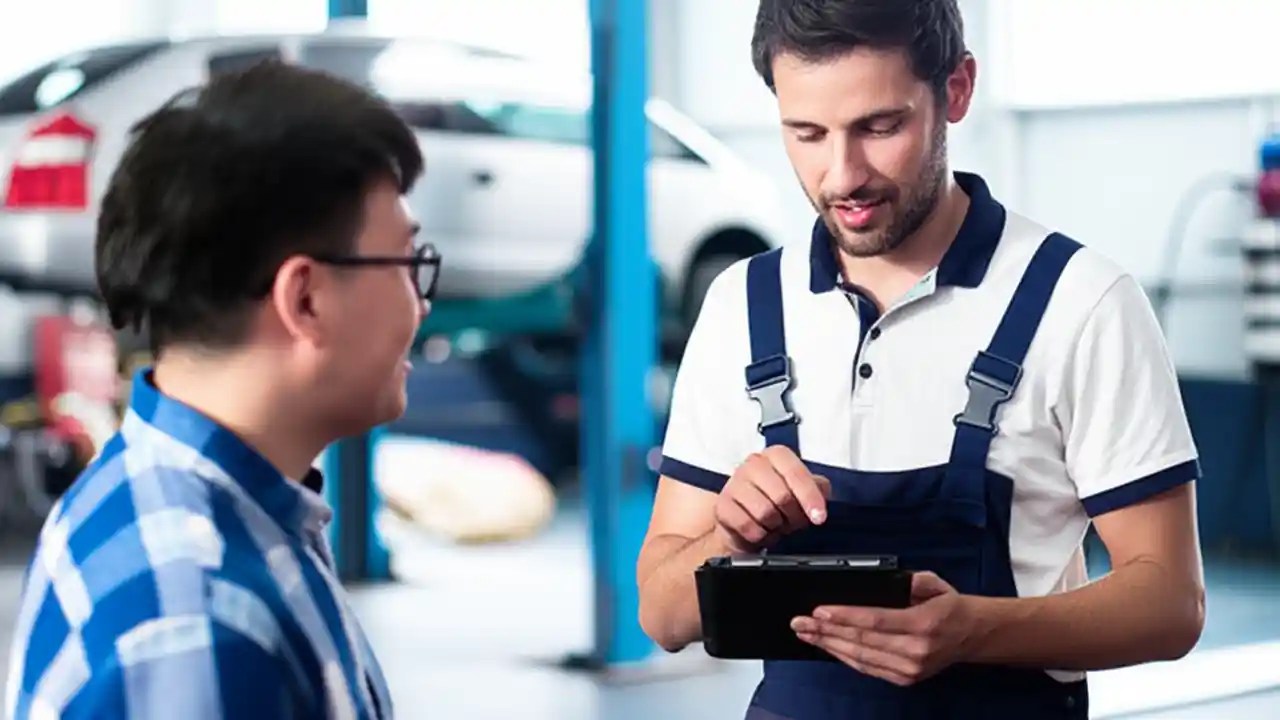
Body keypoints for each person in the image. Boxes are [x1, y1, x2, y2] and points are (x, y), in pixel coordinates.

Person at [636, 1, 1206, 717]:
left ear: (956, 90)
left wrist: (975, 631)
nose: (842, 175)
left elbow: (1170, 602)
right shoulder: (742, 308)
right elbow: (663, 615)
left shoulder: (1081, 303)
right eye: (806, 133)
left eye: (879, 127)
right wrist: (732, 535)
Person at [5, 60, 439, 719]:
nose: (422, 304)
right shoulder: (201, 626)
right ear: (307, 298)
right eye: (407, 265)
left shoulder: (153, 489)